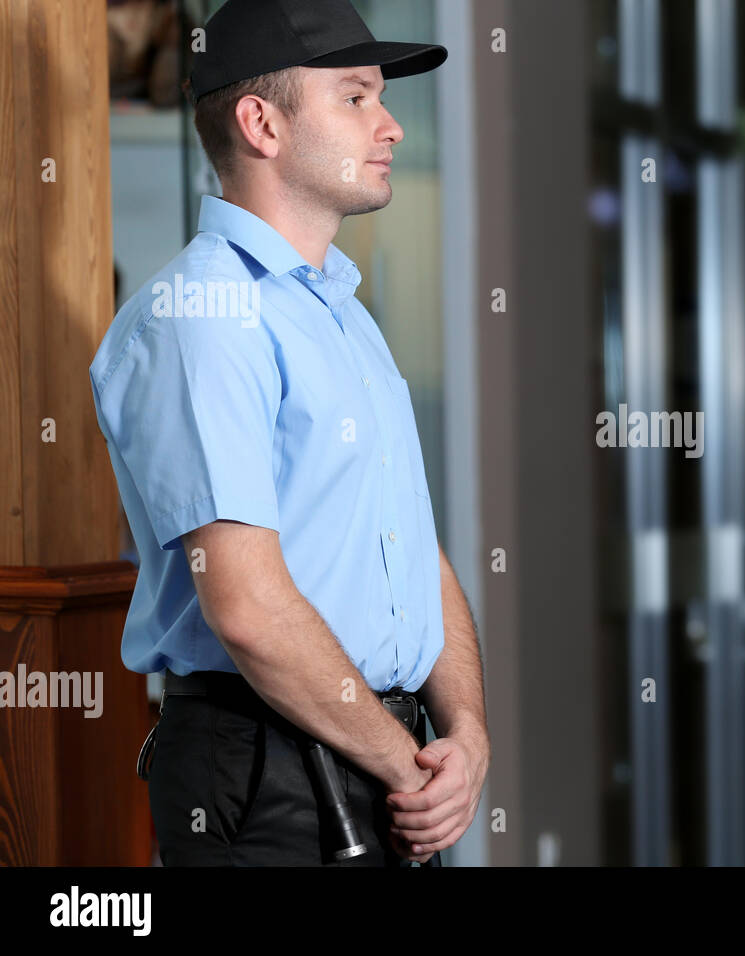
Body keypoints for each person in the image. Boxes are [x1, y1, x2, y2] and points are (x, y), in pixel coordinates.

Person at [89, 0, 489, 866]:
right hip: (267, 772)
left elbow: (410, 544)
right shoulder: (203, 318)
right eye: (355, 98)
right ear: (261, 122)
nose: (391, 127)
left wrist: (465, 734)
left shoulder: (339, 310)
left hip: (377, 763)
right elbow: (248, 609)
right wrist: (406, 768)